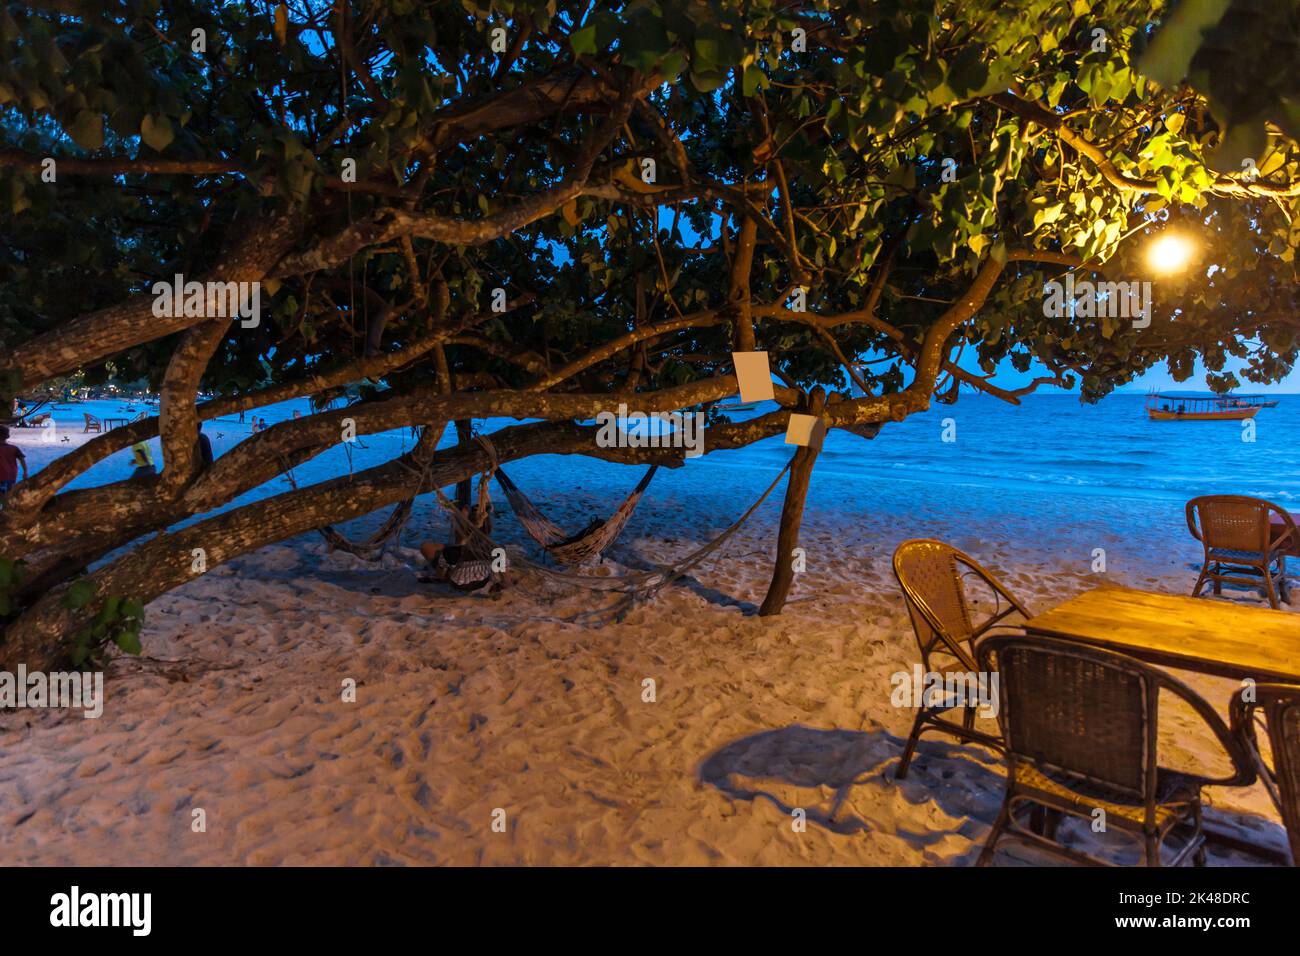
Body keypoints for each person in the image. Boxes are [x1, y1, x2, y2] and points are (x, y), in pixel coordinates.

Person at [0, 425, 28, 495]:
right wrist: (25, 471)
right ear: (7, 436)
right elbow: (22, 459)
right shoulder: (14, 448)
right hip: (11, 476)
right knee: (8, 495)